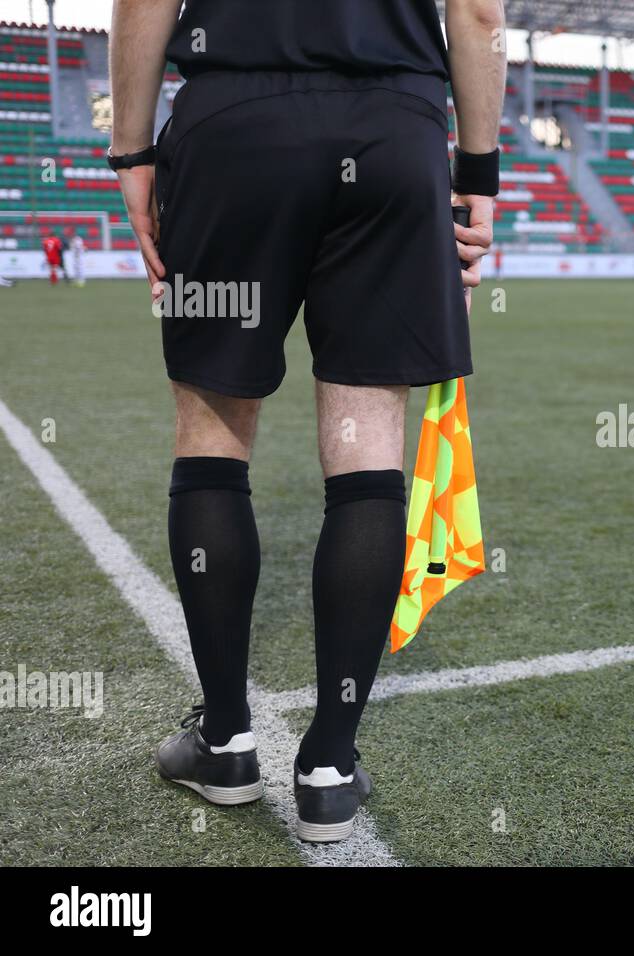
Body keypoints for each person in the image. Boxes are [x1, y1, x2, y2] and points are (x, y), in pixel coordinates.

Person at [110, 0, 505, 843]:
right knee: (366, 458)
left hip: (234, 131)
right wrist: (479, 166)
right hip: (392, 128)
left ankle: (223, 740)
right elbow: (477, 10)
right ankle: (329, 764)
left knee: (214, 438)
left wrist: (132, 151)